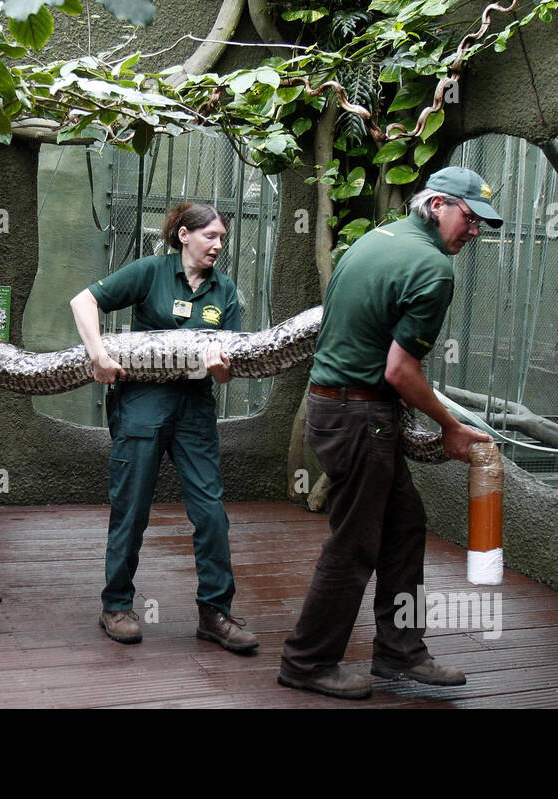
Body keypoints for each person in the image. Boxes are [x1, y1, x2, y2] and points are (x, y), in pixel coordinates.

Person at [277, 166, 501, 700]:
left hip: (335, 408)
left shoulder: (375, 239)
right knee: (355, 543)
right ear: (439, 204)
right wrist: (450, 427)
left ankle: (401, 652)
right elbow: (399, 372)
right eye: (470, 219)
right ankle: (306, 662)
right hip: (359, 416)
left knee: (403, 527)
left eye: (482, 226)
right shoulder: (432, 270)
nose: (474, 233)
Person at [69, 202, 257, 653]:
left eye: (223, 239)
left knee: (210, 512)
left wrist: (221, 367)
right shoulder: (151, 271)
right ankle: (116, 604)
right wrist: (97, 354)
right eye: (210, 236)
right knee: (131, 507)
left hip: (194, 408)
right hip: (142, 403)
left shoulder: (224, 290)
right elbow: (84, 300)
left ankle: (215, 613)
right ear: (184, 236)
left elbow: (228, 372)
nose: (218, 246)